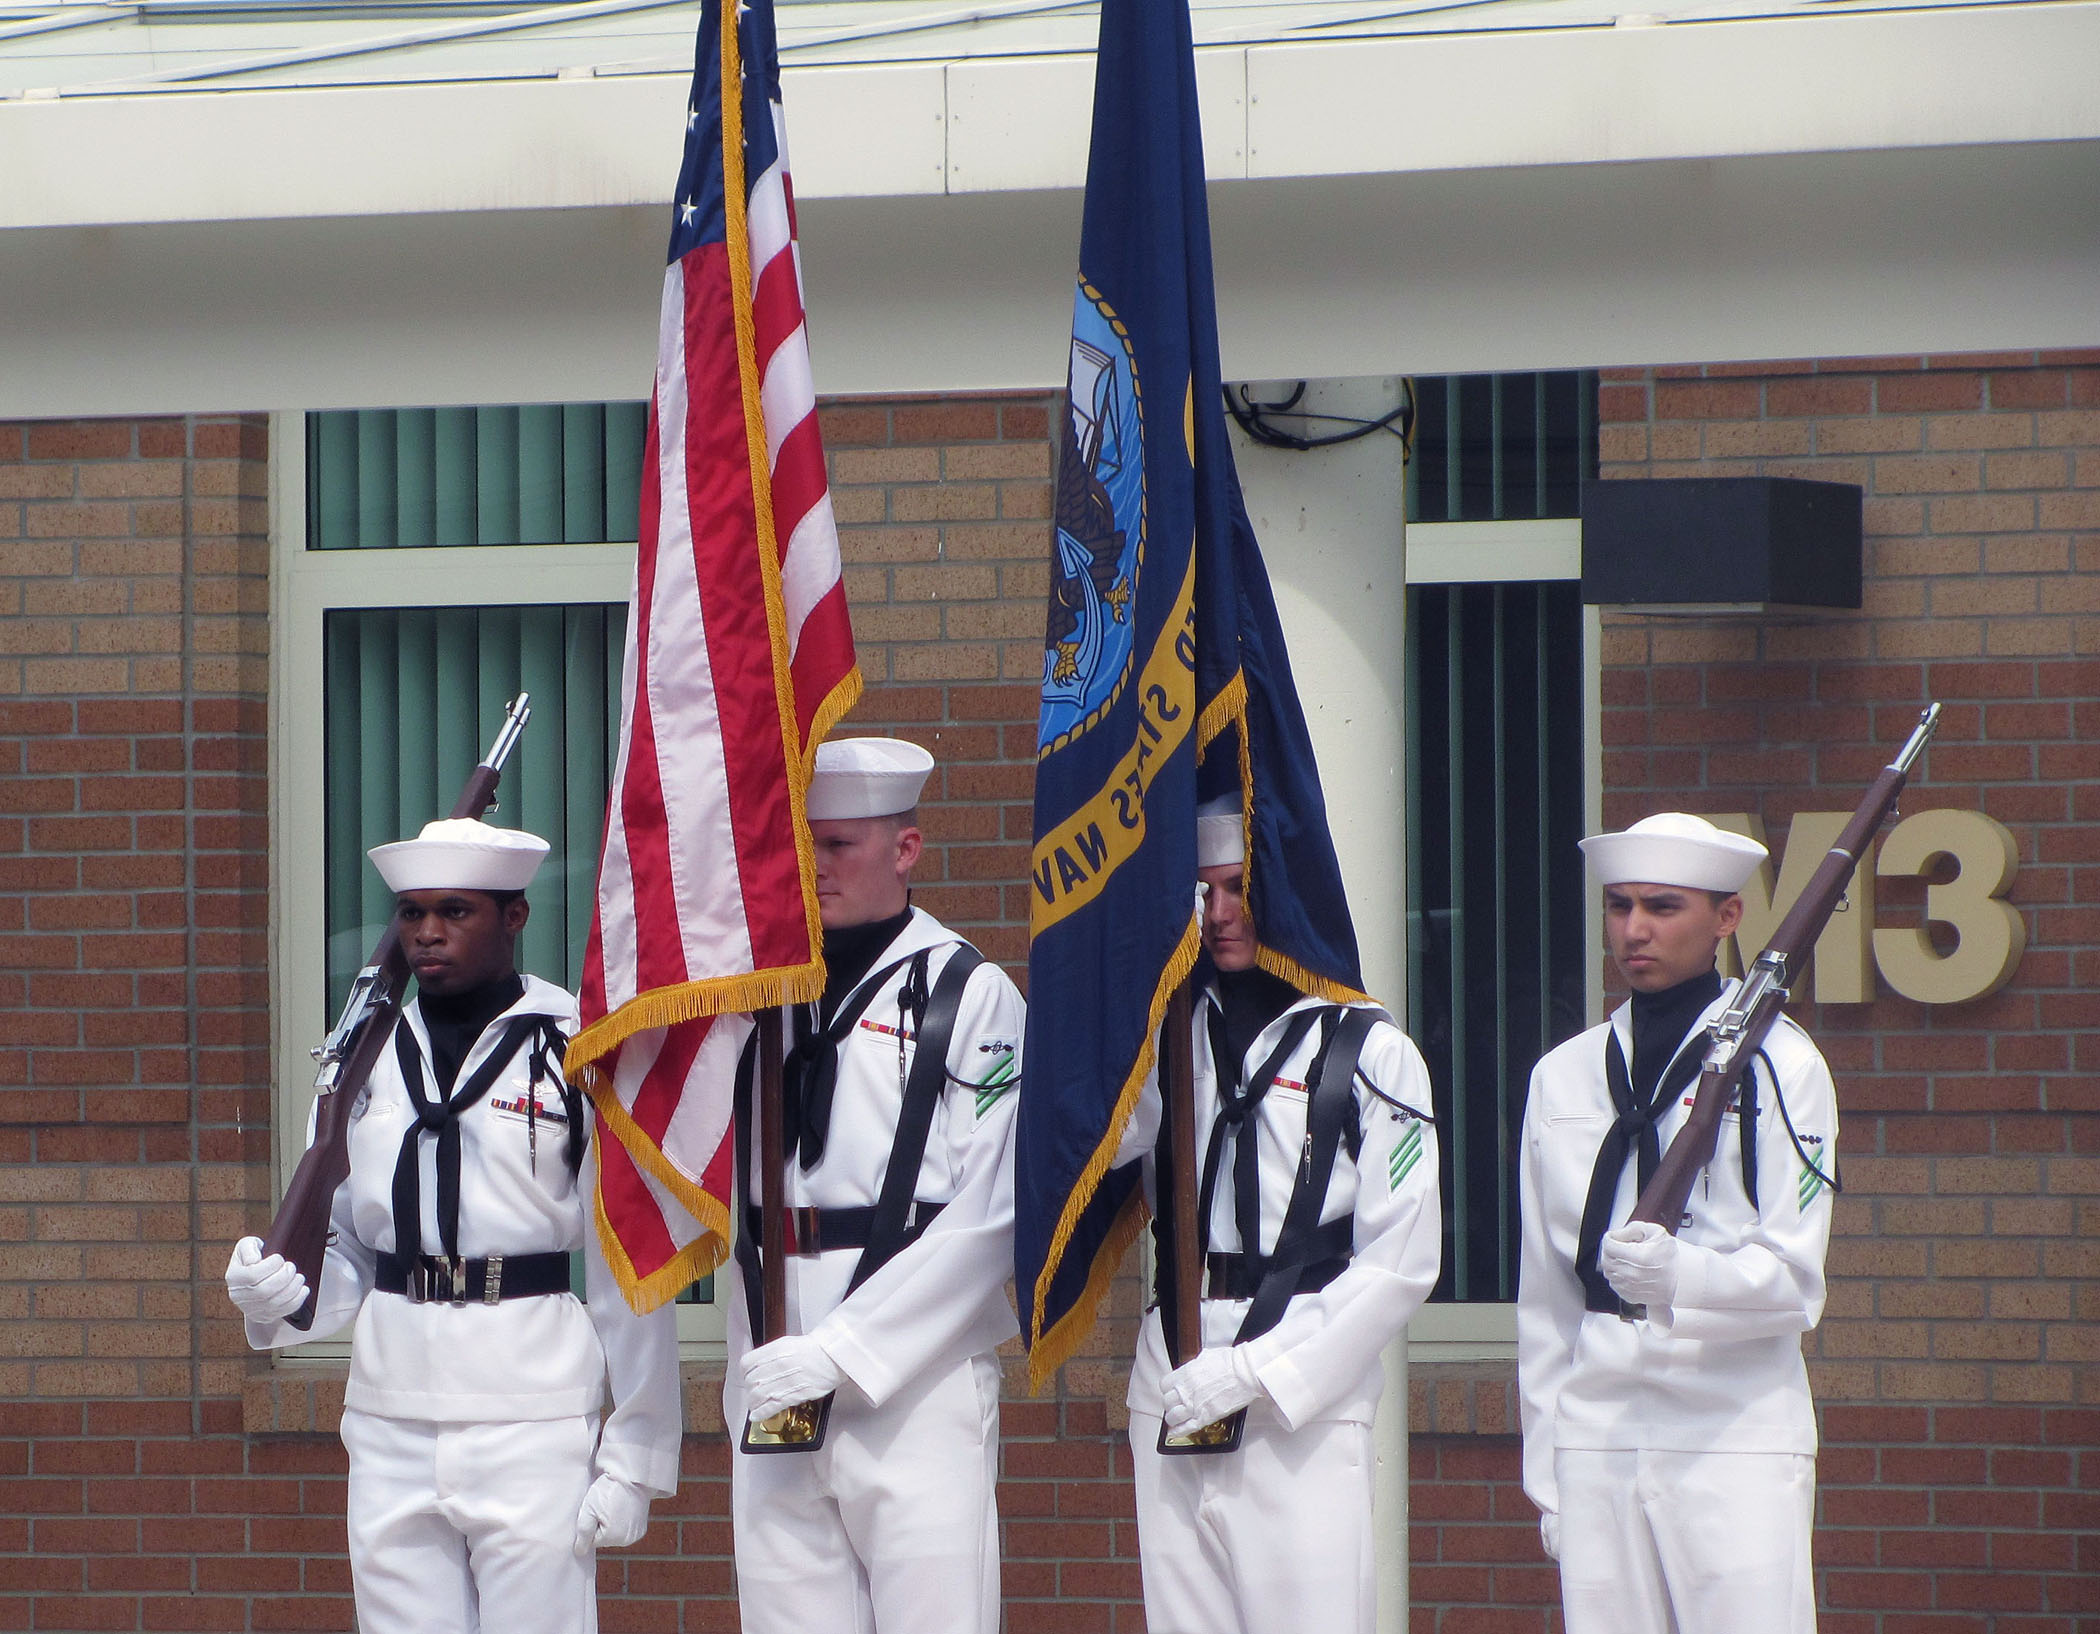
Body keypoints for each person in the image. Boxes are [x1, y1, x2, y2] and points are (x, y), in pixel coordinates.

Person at [223, 818, 681, 1634]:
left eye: (455, 911)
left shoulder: (578, 1047)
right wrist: (274, 1293)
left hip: (532, 1407)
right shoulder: (362, 1049)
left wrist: (637, 1451)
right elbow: (344, 1245)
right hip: (391, 1408)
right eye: (411, 913)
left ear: (515, 917)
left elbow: (627, 1261)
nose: (427, 933)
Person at [1116, 799, 1442, 1634]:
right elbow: (1104, 1151)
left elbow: (1400, 1261)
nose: (1219, 915)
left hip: (1301, 1386)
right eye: (1201, 893)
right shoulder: (1168, 1038)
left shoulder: (1371, 1051)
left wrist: (1261, 1374)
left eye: (1238, 890)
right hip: (1175, 1368)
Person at [727, 736, 1026, 1634]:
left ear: (906, 850)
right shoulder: (751, 991)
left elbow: (993, 1209)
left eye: (840, 845)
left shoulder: (969, 993)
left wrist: (846, 1348)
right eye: (803, 844)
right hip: (773, 1353)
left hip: (915, 1377)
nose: (814, 868)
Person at [1517, 812, 1840, 1634]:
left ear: (1727, 917)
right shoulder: (1563, 1076)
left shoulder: (1782, 1064)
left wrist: (1681, 1279)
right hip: (1598, 1426)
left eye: (1663, 907)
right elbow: (1547, 1299)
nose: (1634, 929)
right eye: (1620, 906)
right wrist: (1548, 1466)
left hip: (1731, 1424)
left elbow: (1797, 1285)